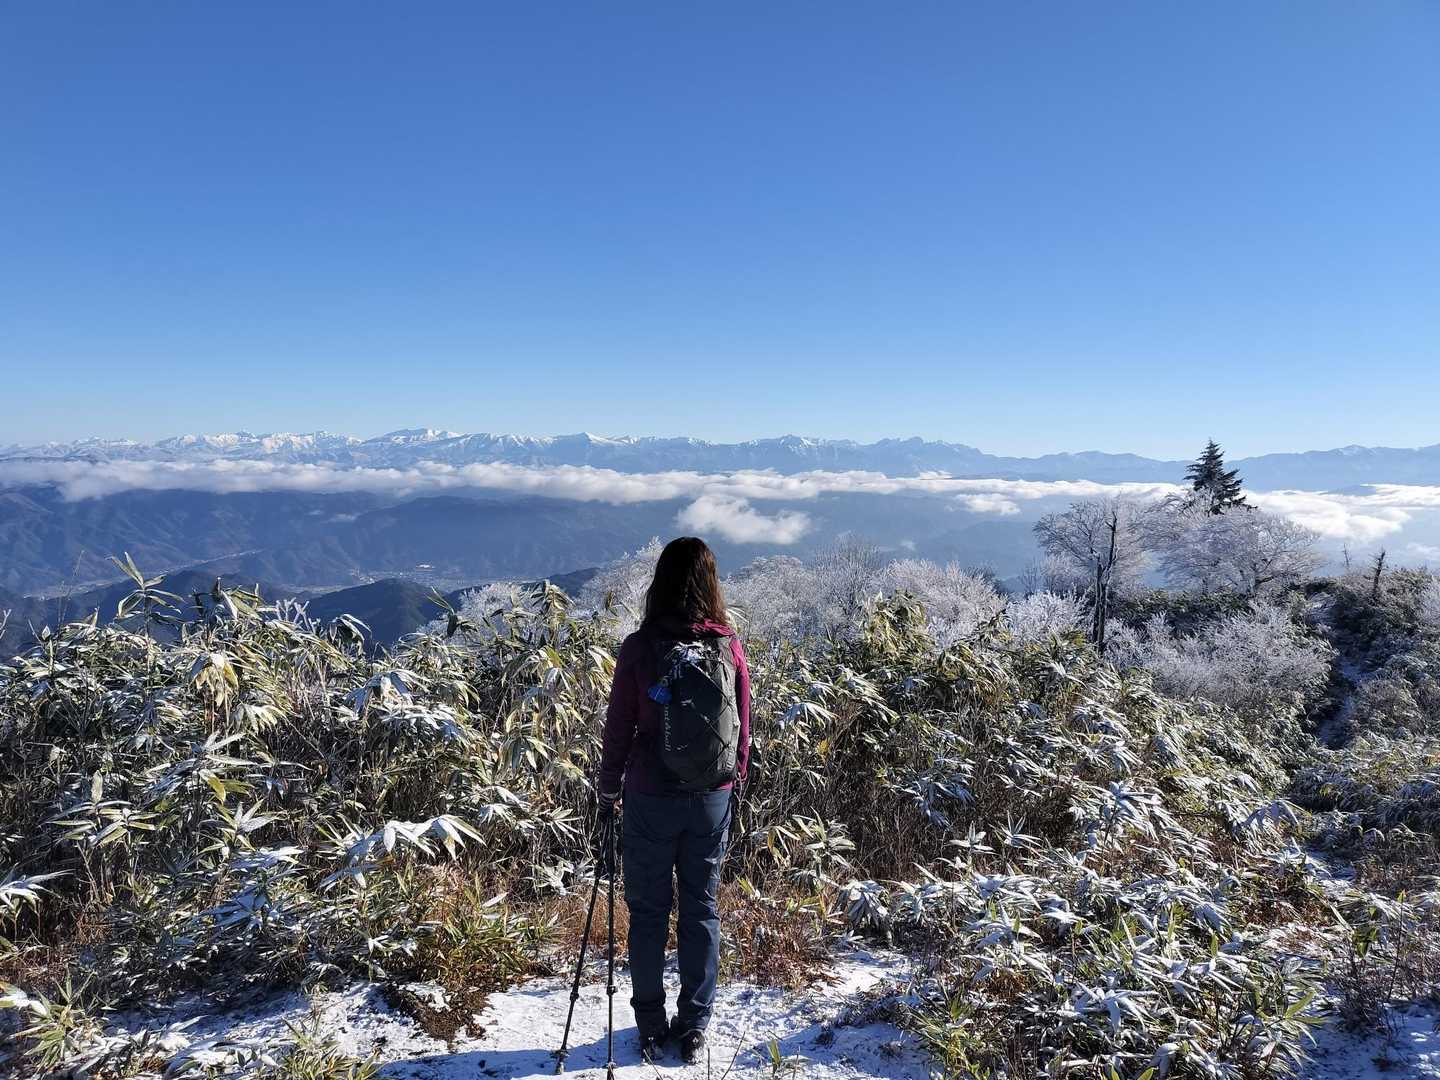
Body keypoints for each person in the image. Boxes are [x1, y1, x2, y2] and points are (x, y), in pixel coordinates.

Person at [597, 536, 751, 1065]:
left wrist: (609, 785)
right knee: (700, 907)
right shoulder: (727, 644)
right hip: (712, 795)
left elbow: (619, 726)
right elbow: (743, 729)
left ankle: (649, 1023)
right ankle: (693, 1025)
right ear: (711, 584)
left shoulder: (640, 648)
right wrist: (731, 784)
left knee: (647, 912)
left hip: (648, 795)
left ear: (659, 583)